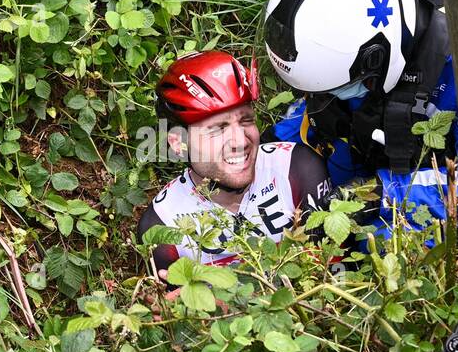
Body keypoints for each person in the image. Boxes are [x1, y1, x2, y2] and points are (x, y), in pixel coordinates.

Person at [262, 0, 458, 235]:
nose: (330, 96)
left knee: (381, 239)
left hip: (441, 173)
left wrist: (379, 195)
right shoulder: (356, 21)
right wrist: (268, 149)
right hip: (383, 133)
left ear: (378, 59)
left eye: (339, 87)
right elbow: (319, 108)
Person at [137, 50, 333, 280]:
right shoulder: (162, 223)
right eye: (218, 129)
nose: (240, 141)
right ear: (179, 144)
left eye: (246, 120)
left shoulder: (297, 168)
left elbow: (332, 277)